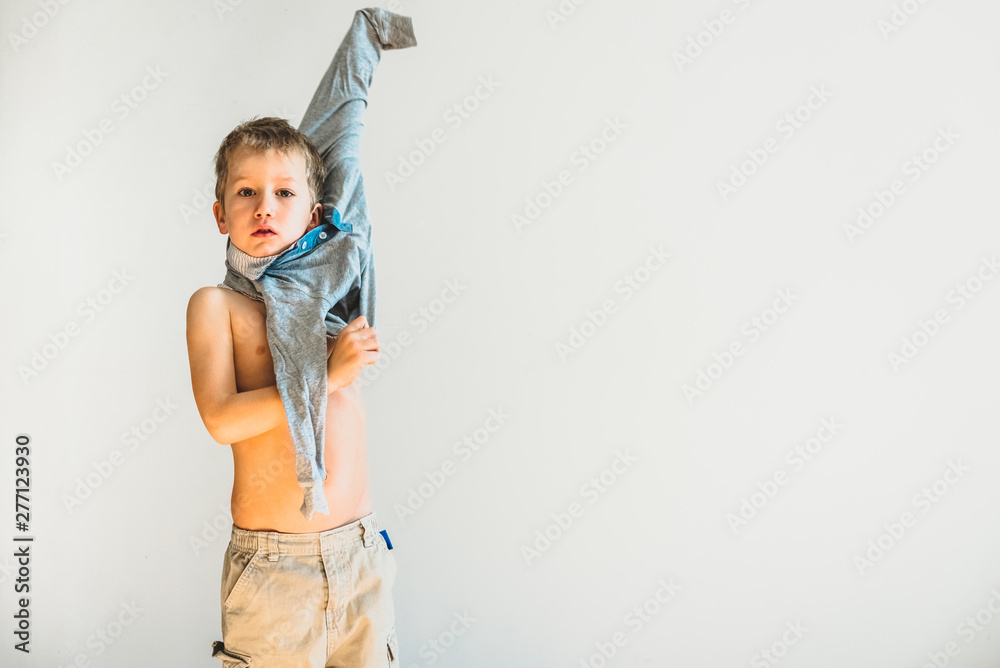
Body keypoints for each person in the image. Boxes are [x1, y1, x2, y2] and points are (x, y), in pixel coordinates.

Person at [185, 8, 416, 667]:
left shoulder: (332, 296)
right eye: (246, 192)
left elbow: (337, 145)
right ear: (219, 213)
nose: (265, 207)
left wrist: (364, 49)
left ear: (314, 215)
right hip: (273, 568)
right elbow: (222, 420)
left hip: (361, 552)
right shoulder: (217, 307)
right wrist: (329, 377)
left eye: (285, 193)